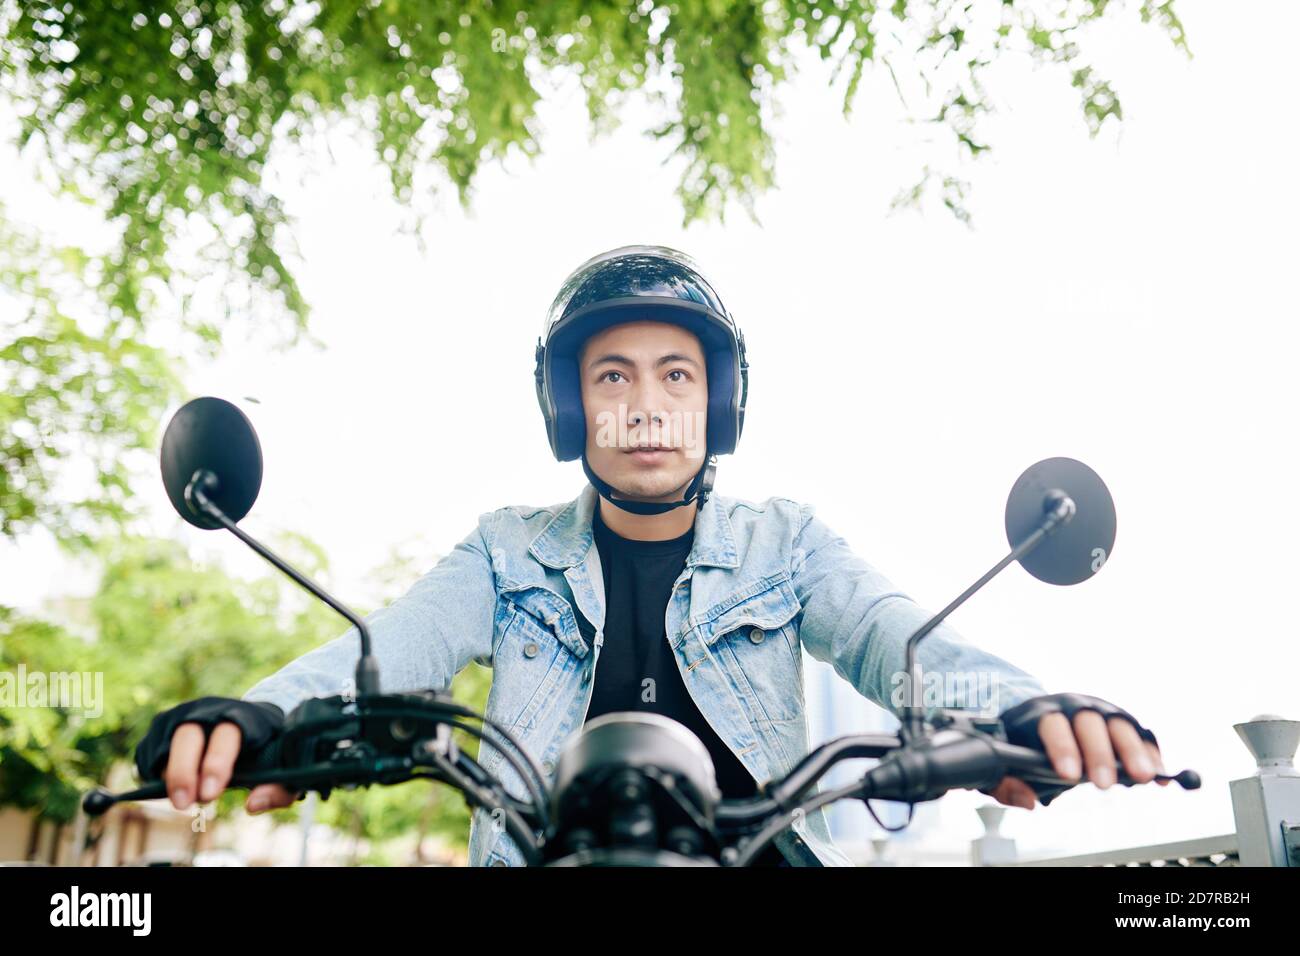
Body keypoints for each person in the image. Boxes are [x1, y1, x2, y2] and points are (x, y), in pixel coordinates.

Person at [134, 245, 1167, 866]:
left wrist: (1031, 707)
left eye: (675, 376)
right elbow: (394, 647)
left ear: (714, 401)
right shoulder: (505, 550)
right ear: (568, 404)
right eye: (612, 377)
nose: (643, 408)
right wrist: (259, 712)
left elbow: (895, 636)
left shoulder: (787, 542)